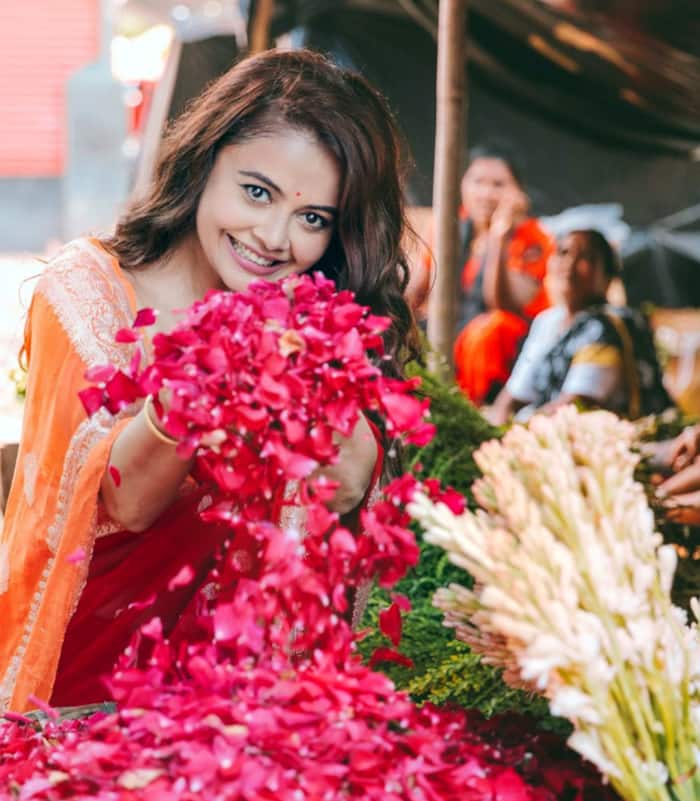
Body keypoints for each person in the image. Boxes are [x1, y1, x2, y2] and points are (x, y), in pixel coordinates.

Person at [0, 49, 418, 713]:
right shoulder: (86, 293)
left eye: (314, 219)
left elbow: (347, 482)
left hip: (241, 711)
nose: (273, 238)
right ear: (203, 162)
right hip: (80, 699)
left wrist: (320, 403)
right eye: (257, 192)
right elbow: (125, 500)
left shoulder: (308, 322)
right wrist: (210, 366)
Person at [405, 146, 554, 404]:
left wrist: (499, 238)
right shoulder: (448, 225)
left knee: (491, 328)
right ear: (462, 185)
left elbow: (502, 303)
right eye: (477, 182)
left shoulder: (532, 239)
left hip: (507, 348)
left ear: (518, 192)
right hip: (455, 333)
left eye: (498, 184)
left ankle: (468, 408)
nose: (485, 193)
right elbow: (417, 291)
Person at [489, 228, 672, 424]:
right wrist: (496, 431)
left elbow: (577, 404)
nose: (570, 263)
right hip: (544, 431)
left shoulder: (606, 325)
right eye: (563, 252)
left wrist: (517, 432)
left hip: (604, 441)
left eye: (586, 257)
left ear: (608, 276)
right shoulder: (547, 322)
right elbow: (512, 396)